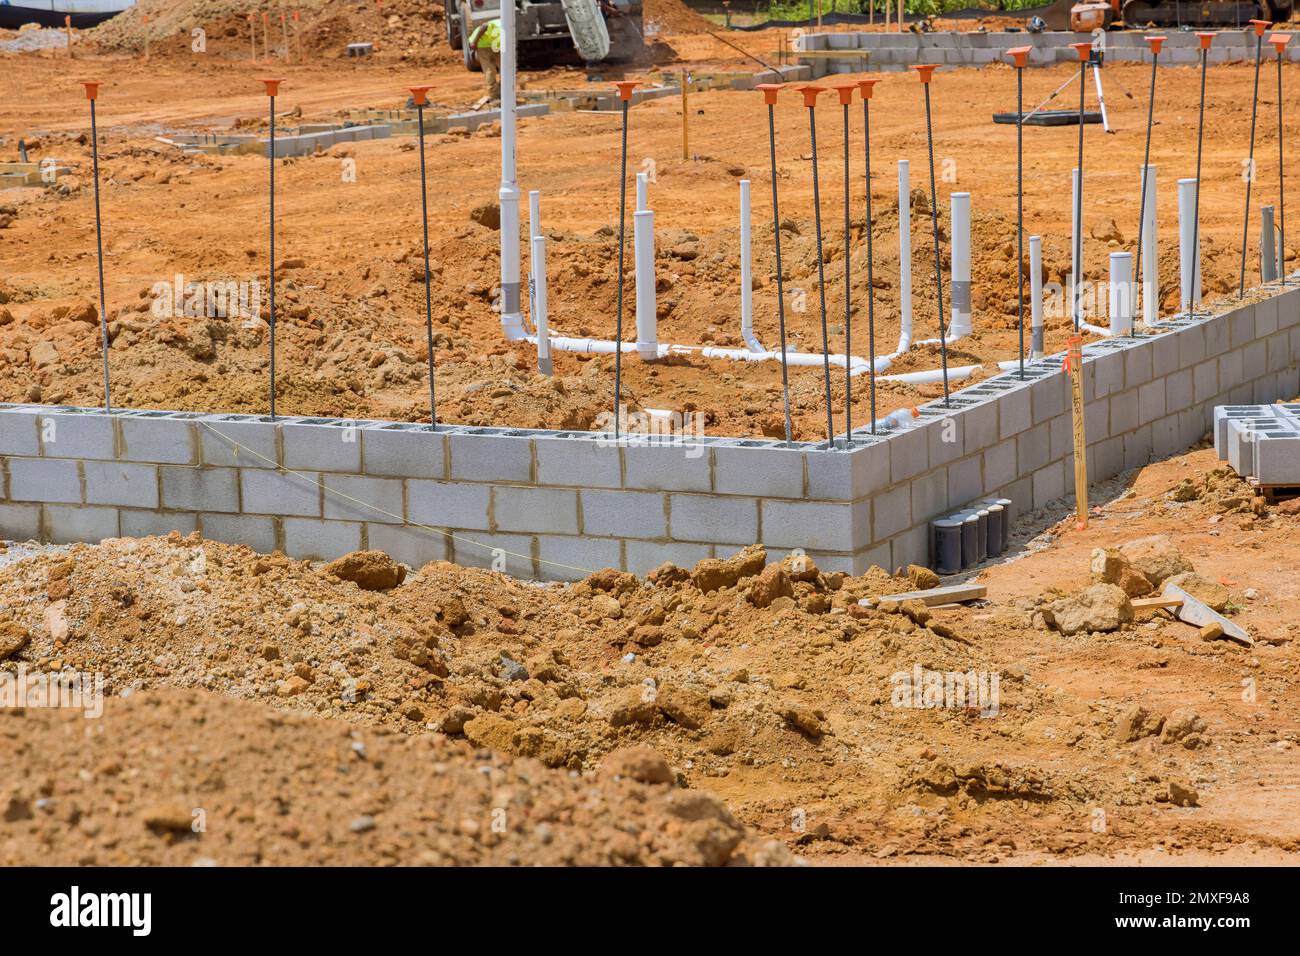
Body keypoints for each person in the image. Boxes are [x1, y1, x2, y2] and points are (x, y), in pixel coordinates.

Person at [467, 17, 502, 100]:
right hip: (482, 43)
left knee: (505, 68)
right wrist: (474, 42)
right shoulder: (502, 26)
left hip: (494, 43)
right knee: (490, 69)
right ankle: (494, 95)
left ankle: (501, 90)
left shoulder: (510, 29)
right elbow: (484, 26)